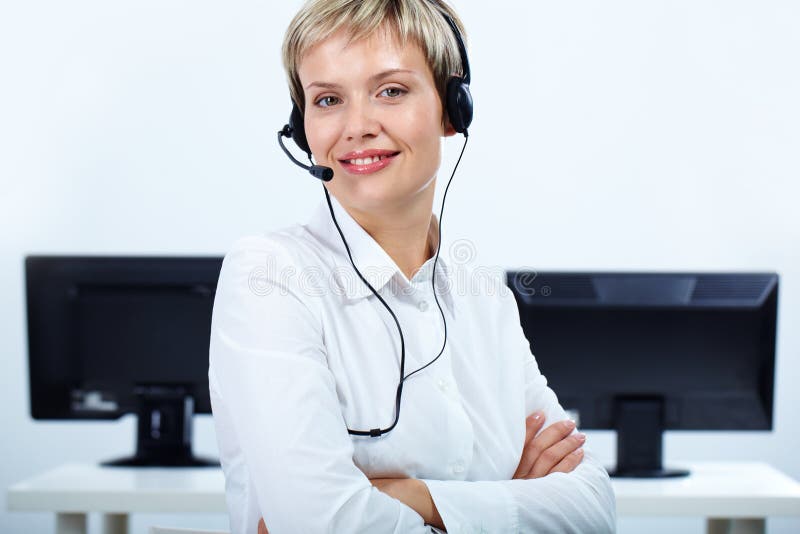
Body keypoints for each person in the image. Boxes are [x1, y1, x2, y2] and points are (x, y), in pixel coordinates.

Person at [208, 0, 616, 532]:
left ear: (453, 107)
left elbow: (592, 509)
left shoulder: (482, 296)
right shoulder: (270, 276)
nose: (356, 126)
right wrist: (507, 501)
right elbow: (324, 524)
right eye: (328, 99)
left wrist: (412, 497)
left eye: (391, 91)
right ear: (301, 124)